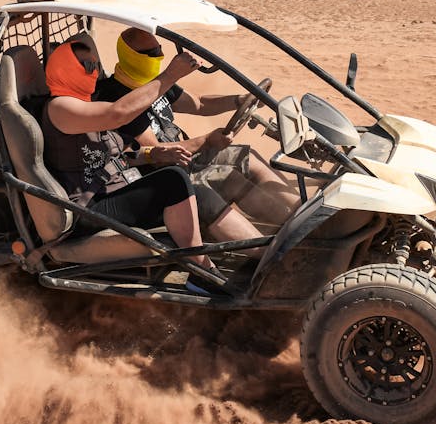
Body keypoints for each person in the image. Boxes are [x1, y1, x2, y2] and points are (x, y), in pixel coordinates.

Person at [96, 28, 299, 238]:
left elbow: (199, 104)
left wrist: (239, 99)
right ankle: (276, 243)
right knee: (232, 180)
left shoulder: (155, 82)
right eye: (151, 53)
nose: (159, 56)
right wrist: (206, 141)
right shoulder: (117, 96)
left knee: (246, 156)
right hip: (166, 172)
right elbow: (157, 154)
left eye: (159, 50)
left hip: (189, 157)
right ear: (130, 55)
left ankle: (302, 212)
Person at [41, 36, 220, 269]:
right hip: (88, 207)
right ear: (65, 70)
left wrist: (152, 155)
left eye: (95, 64)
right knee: (173, 180)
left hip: (115, 187)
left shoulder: (86, 101)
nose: (94, 71)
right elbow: (119, 113)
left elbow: (115, 153)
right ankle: (202, 272)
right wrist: (170, 75)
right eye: (87, 66)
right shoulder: (60, 107)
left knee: (193, 187)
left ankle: (262, 255)